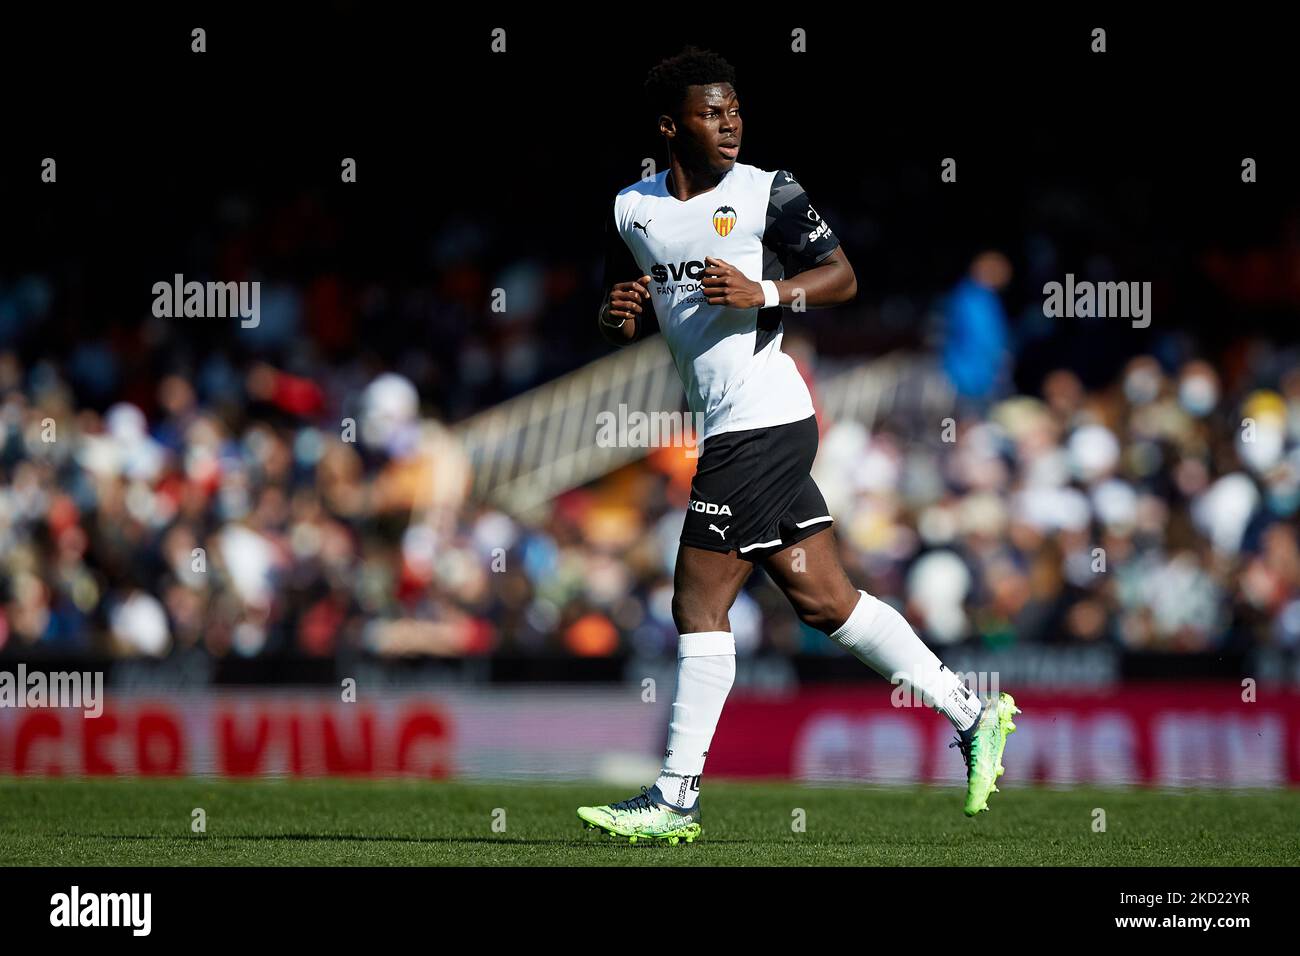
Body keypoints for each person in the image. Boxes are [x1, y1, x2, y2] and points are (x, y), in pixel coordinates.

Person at [578, 47, 1017, 844]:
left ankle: (676, 796)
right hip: (731, 421)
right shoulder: (632, 209)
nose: (732, 123)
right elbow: (626, 308)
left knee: (696, 602)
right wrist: (616, 316)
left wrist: (768, 291)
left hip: (764, 417)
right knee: (824, 601)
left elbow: (843, 275)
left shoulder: (766, 192)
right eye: (713, 113)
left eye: (736, 109)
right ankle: (973, 712)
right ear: (671, 126)